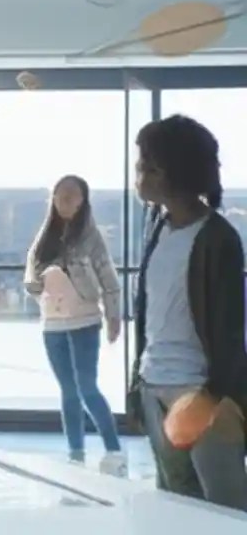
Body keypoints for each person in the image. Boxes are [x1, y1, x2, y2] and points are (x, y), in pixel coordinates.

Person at [129, 114, 247, 511]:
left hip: (201, 394)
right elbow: (151, 315)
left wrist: (214, 396)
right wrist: (137, 385)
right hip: (154, 388)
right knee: (176, 508)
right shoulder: (158, 228)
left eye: (146, 165)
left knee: (225, 510)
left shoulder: (218, 238)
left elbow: (230, 330)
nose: (139, 174)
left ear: (168, 173)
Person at [23, 175, 126, 476]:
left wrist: (113, 317)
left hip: (84, 321)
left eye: (72, 195)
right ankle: (76, 453)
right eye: (60, 195)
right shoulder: (43, 239)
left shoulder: (91, 239)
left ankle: (113, 447)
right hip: (53, 323)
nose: (65, 200)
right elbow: (30, 281)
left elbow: (109, 282)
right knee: (67, 389)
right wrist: (41, 284)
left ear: (83, 201)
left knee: (86, 385)